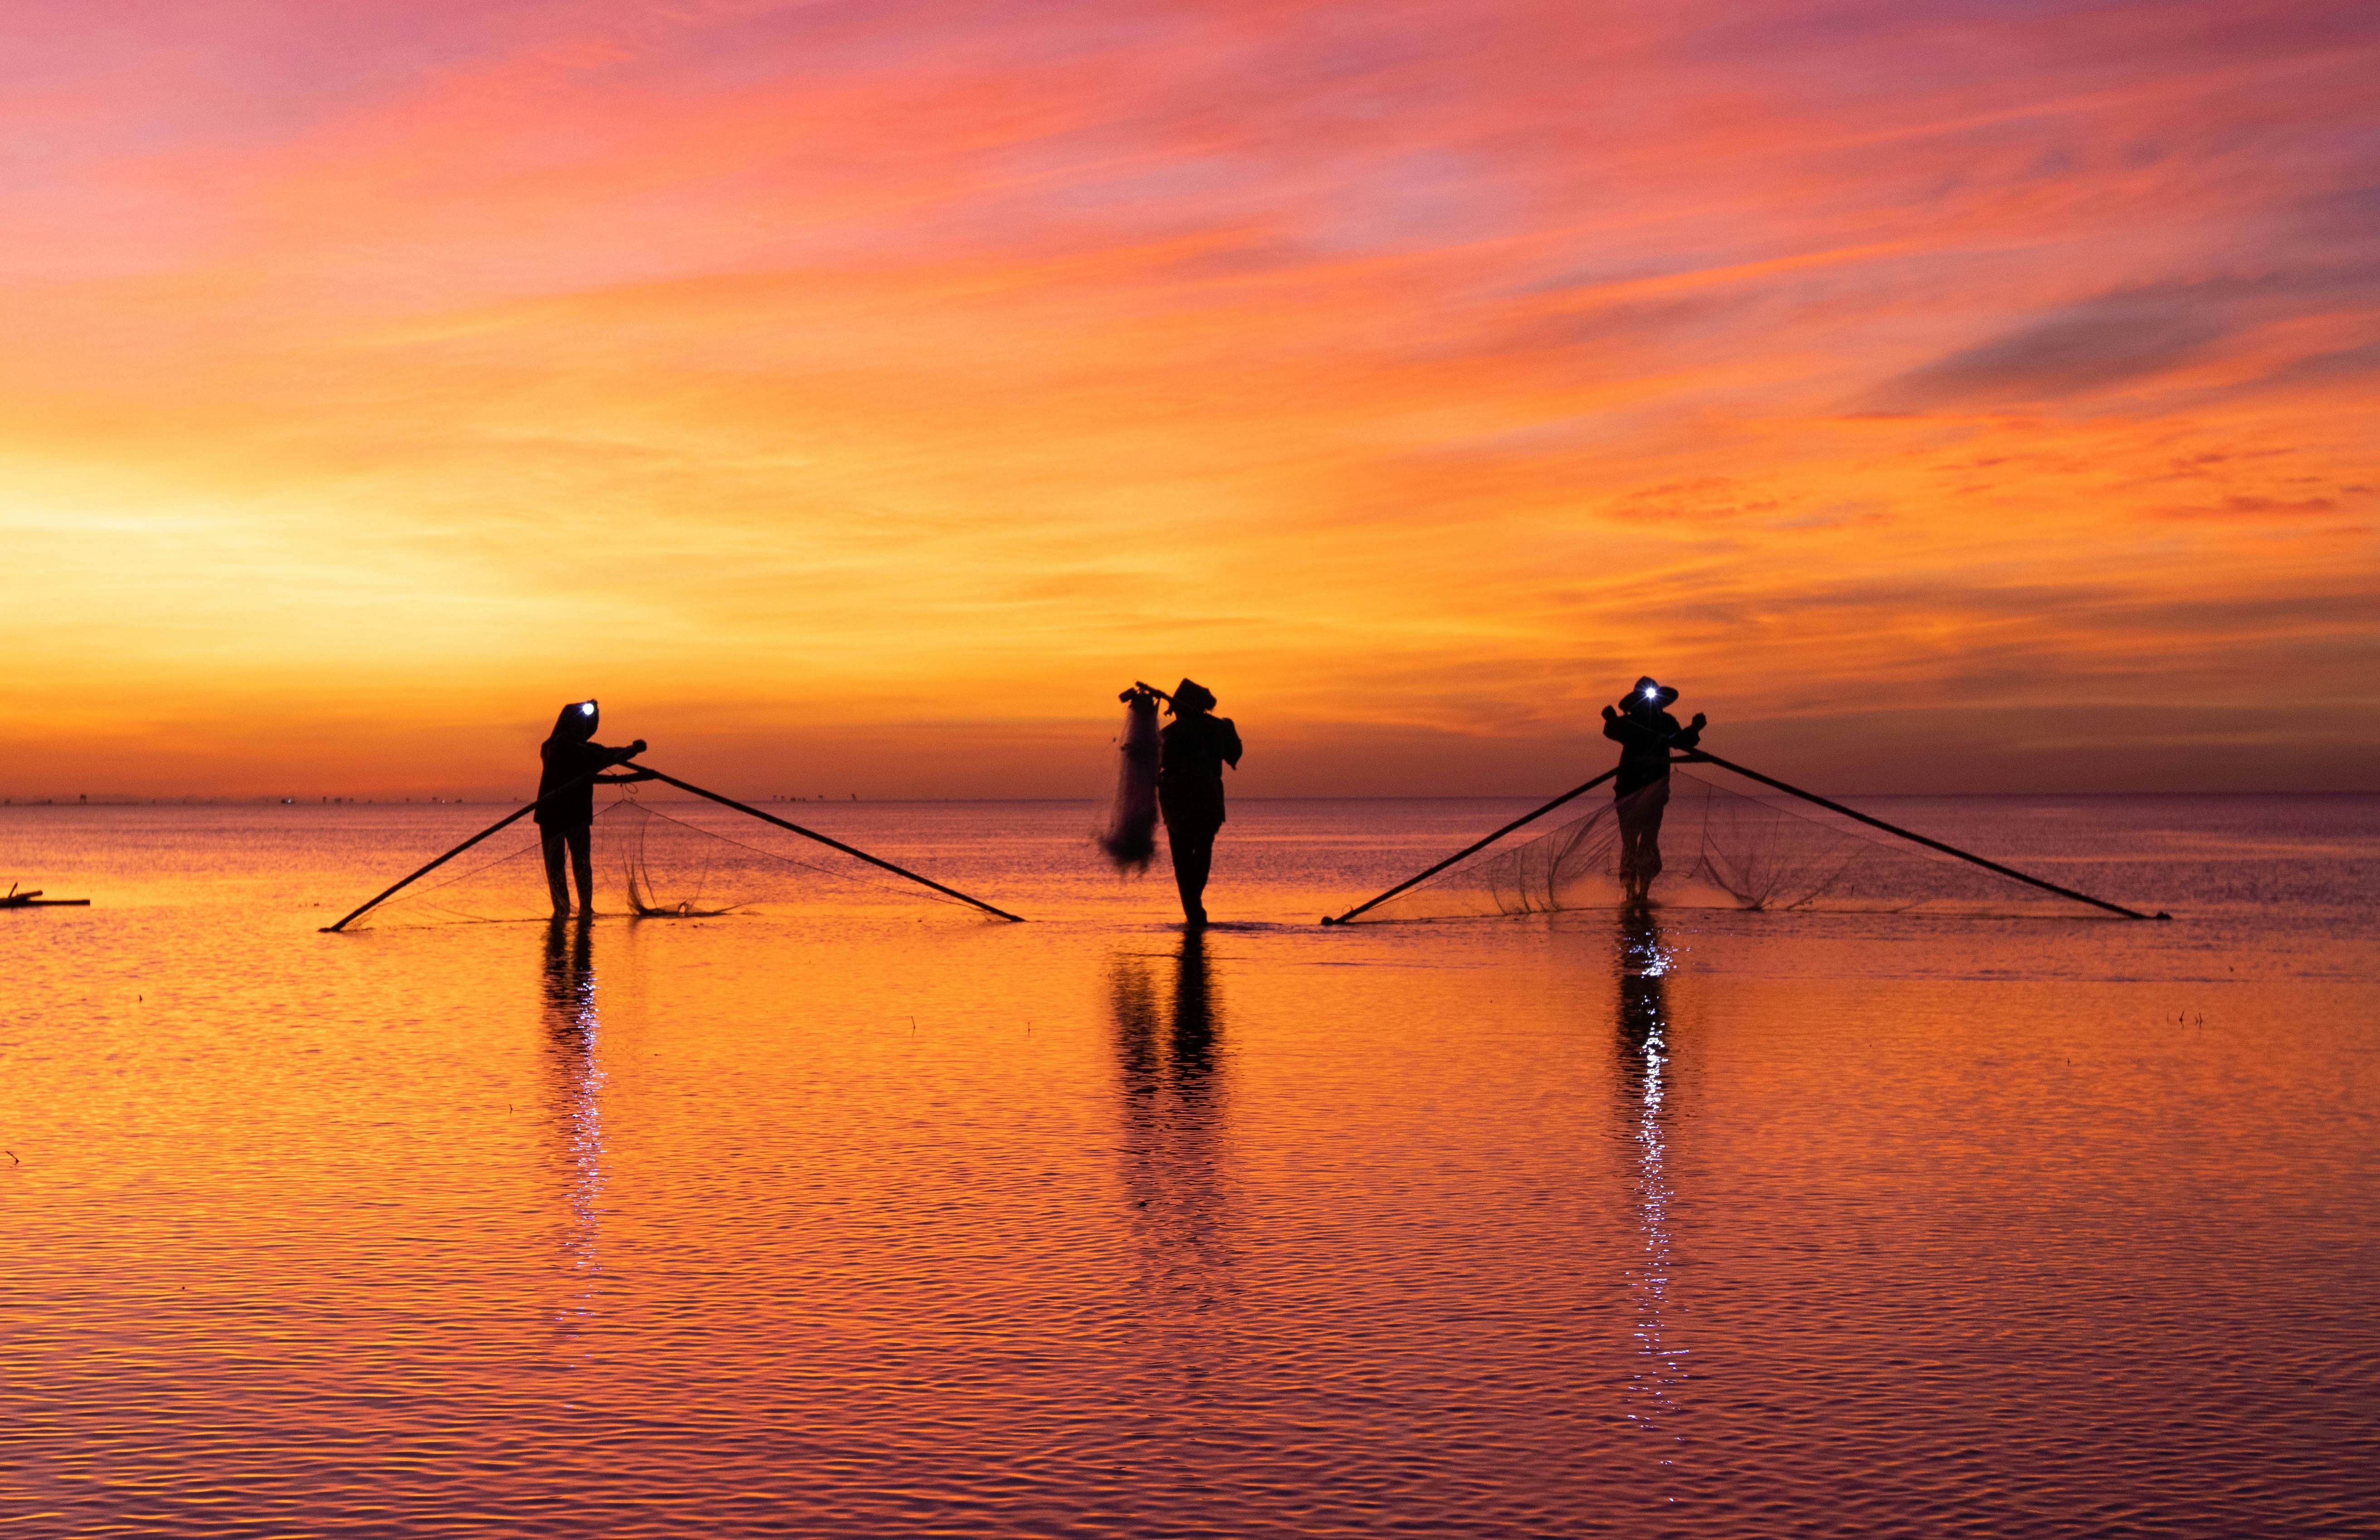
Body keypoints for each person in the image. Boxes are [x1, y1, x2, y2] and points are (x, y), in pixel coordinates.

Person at [535, 700, 649, 917]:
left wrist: (632, 751)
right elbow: (598, 761)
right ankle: (562, 911)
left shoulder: (586, 750)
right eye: (579, 725)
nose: (583, 729)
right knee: (555, 865)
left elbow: (609, 756)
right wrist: (631, 765)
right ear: (568, 725)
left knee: (582, 862)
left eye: (586, 726)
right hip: (552, 814)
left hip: (577, 814)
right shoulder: (553, 747)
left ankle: (585, 909)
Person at [1601, 676, 1706, 903]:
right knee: (1630, 842)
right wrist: (1610, 720)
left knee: (1649, 840)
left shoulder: (1666, 722)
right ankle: (1630, 894)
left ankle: (1644, 893)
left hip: (1656, 791)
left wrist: (1695, 728)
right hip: (1629, 791)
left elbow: (1681, 741)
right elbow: (1612, 731)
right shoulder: (1629, 723)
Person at [1155, 678, 1241, 928]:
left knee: (1183, 859)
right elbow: (1234, 754)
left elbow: (1151, 764)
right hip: (1205, 801)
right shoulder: (1217, 729)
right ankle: (1195, 911)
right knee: (1202, 852)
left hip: (1181, 804)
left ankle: (1194, 912)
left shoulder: (1169, 735)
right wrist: (1227, 727)